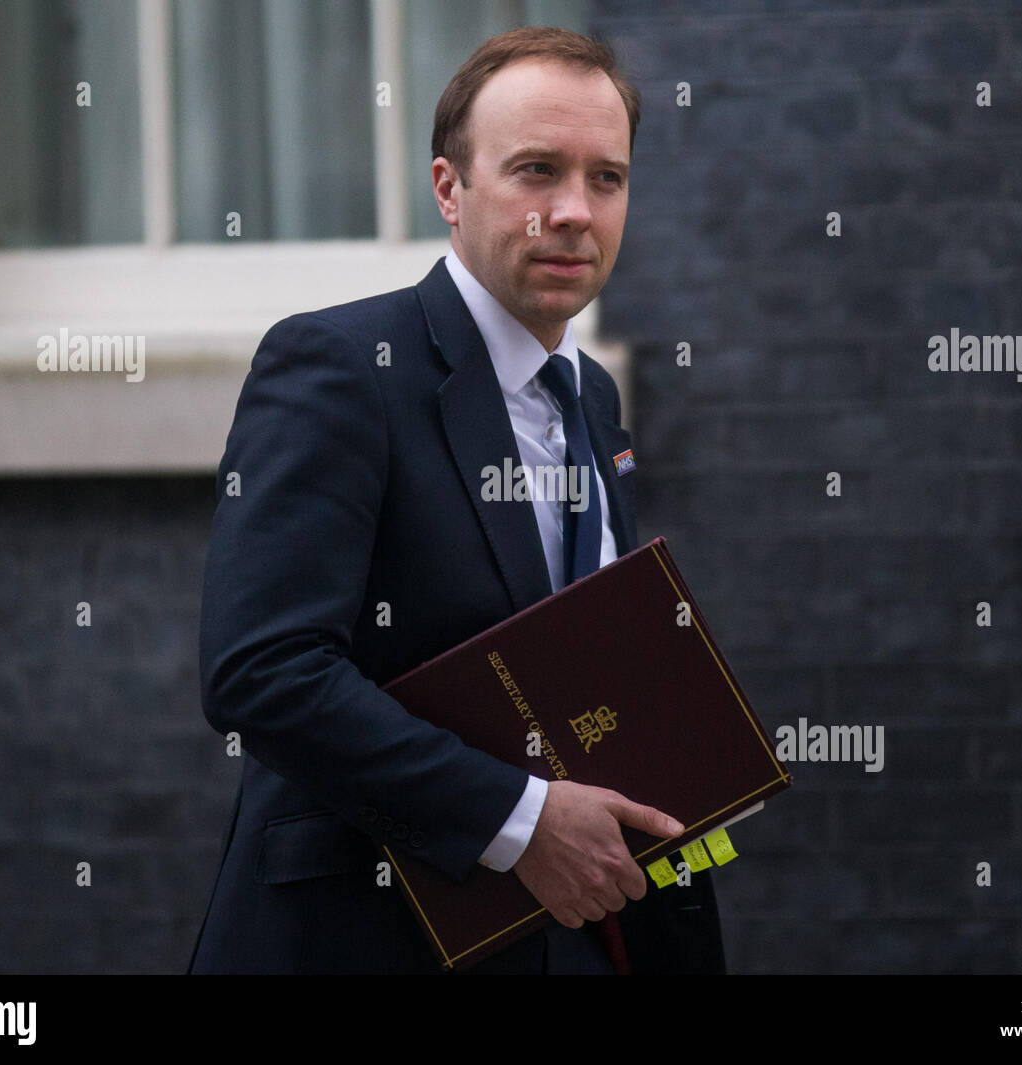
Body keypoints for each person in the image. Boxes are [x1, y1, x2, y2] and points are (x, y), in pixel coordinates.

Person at [188, 26, 723, 975]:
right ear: (449, 188)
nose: (573, 211)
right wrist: (518, 824)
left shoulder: (592, 398)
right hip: (365, 943)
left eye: (607, 178)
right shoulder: (340, 368)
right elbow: (261, 671)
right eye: (535, 170)